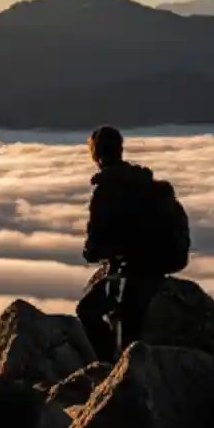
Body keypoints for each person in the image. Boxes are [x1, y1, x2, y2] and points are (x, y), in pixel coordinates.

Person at [76, 125, 169, 361]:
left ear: (96, 155)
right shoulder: (145, 182)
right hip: (159, 262)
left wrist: (94, 253)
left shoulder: (106, 190)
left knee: (87, 311)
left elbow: (94, 247)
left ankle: (109, 367)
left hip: (132, 270)